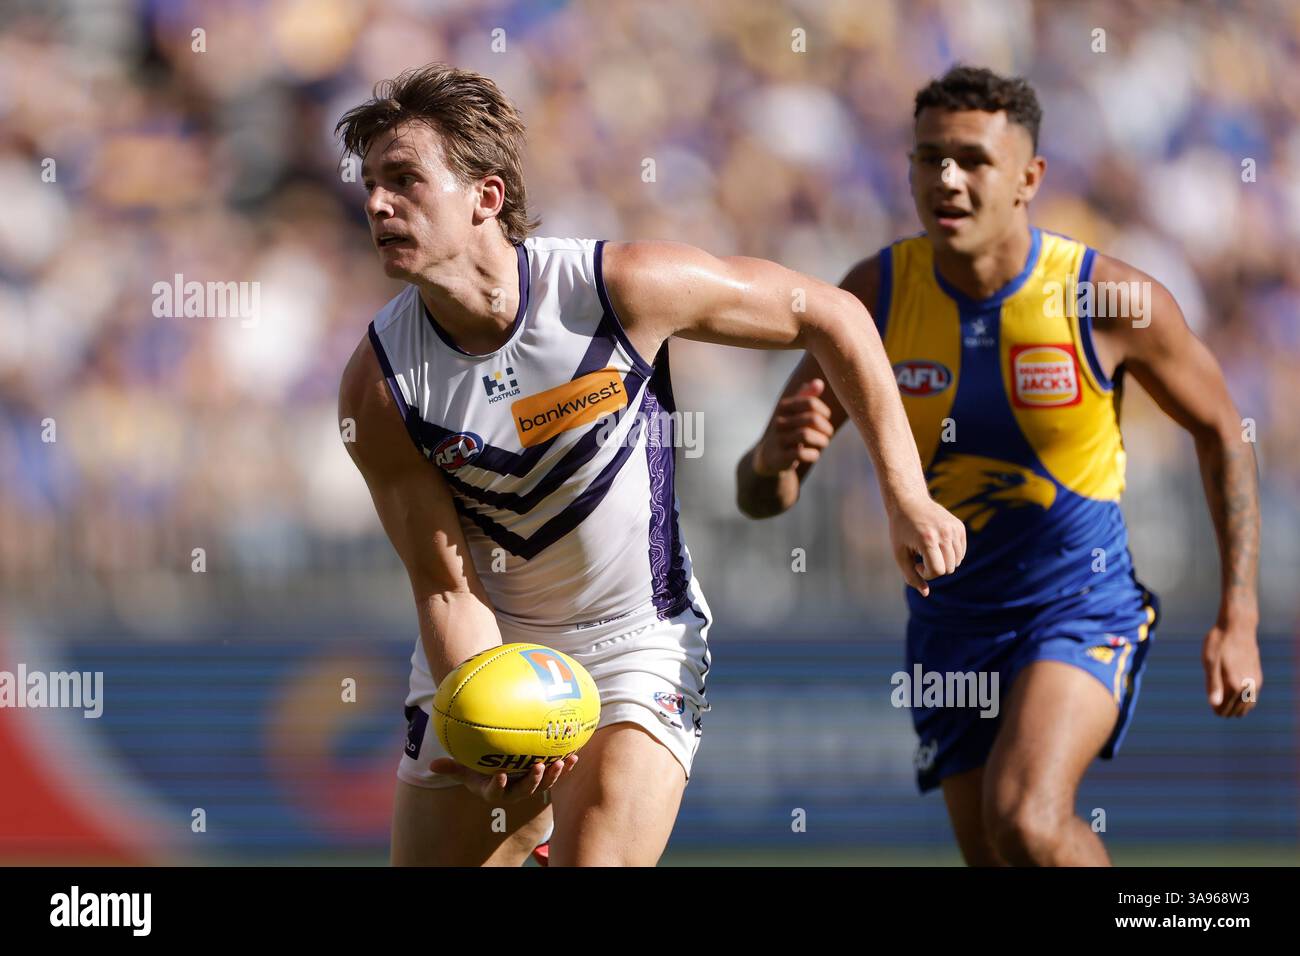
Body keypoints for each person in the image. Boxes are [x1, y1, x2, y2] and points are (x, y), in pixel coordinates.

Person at [335, 63, 965, 866]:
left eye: (404, 180)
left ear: (486, 198)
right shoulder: (380, 385)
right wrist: (499, 704)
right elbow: (446, 586)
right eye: (370, 185)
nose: (377, 204)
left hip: (639, 638)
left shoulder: (617, 288)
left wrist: (906, 495)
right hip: (494, 647)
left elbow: (833, 316)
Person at [736, 65, 1263, 866]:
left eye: (973, 160)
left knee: (1025, 819)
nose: (946, 179)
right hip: (948, 631)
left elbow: (1225, 429)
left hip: (1080, 608)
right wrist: (774, 457)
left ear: (1029, 177)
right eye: (928, 158)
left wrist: (1239, 613)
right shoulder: (872, 297)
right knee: (997, 852)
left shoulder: (1105, 298)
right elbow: (763, 498)